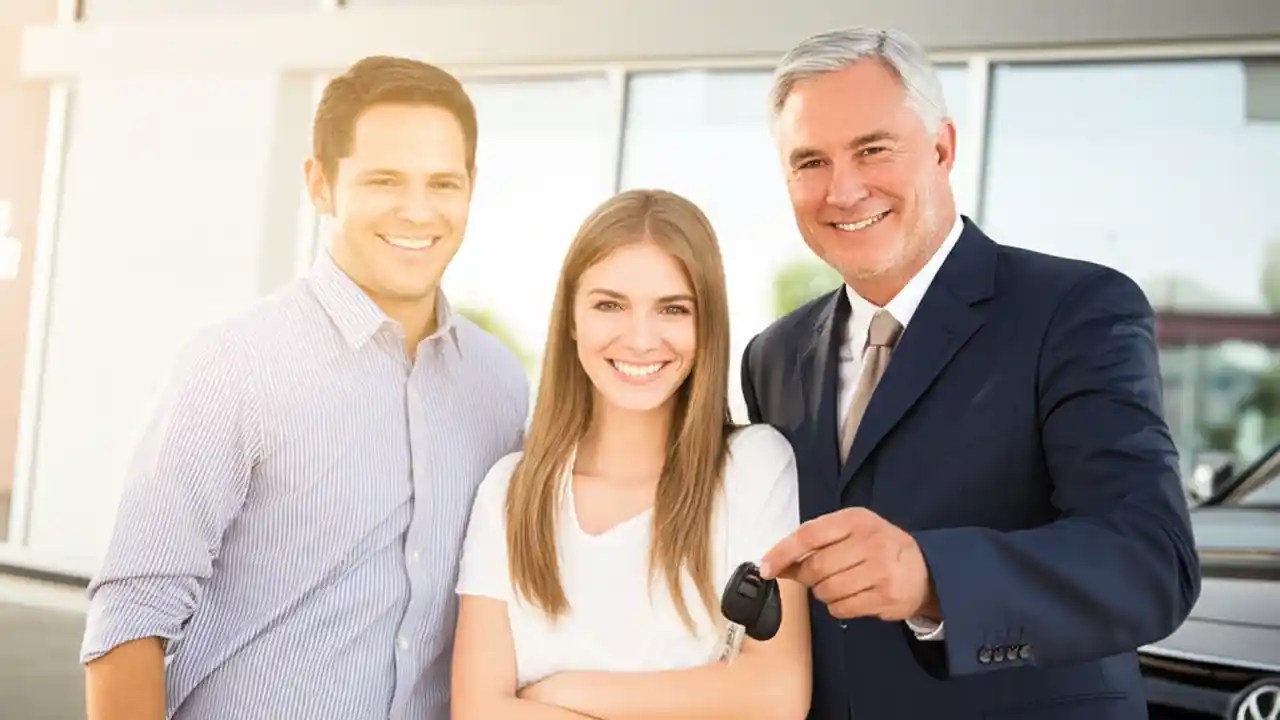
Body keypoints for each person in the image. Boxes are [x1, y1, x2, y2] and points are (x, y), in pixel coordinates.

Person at [740, 27, 1202, 719]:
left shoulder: (1074, 311)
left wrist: (932, 579)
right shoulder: (770, 357)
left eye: (872, 149)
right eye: (810, 162)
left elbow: (1150, 562)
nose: (844, 189)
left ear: (942, 148)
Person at [80, 56, 528, 720]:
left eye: (443, 182)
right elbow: (131, 618)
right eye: (384, 180)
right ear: (320, 185)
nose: (418, 210)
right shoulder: (235, 363)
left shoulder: (500, 384)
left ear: (471, 188)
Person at [450, 189, 812, 719]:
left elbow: (775, 697)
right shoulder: (511, 491)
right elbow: (478, 712)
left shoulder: (754, 468)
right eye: (609, 305)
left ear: (706, 324)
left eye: (672, 309)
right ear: (571, 318)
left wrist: (564, 692)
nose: (641, 339)